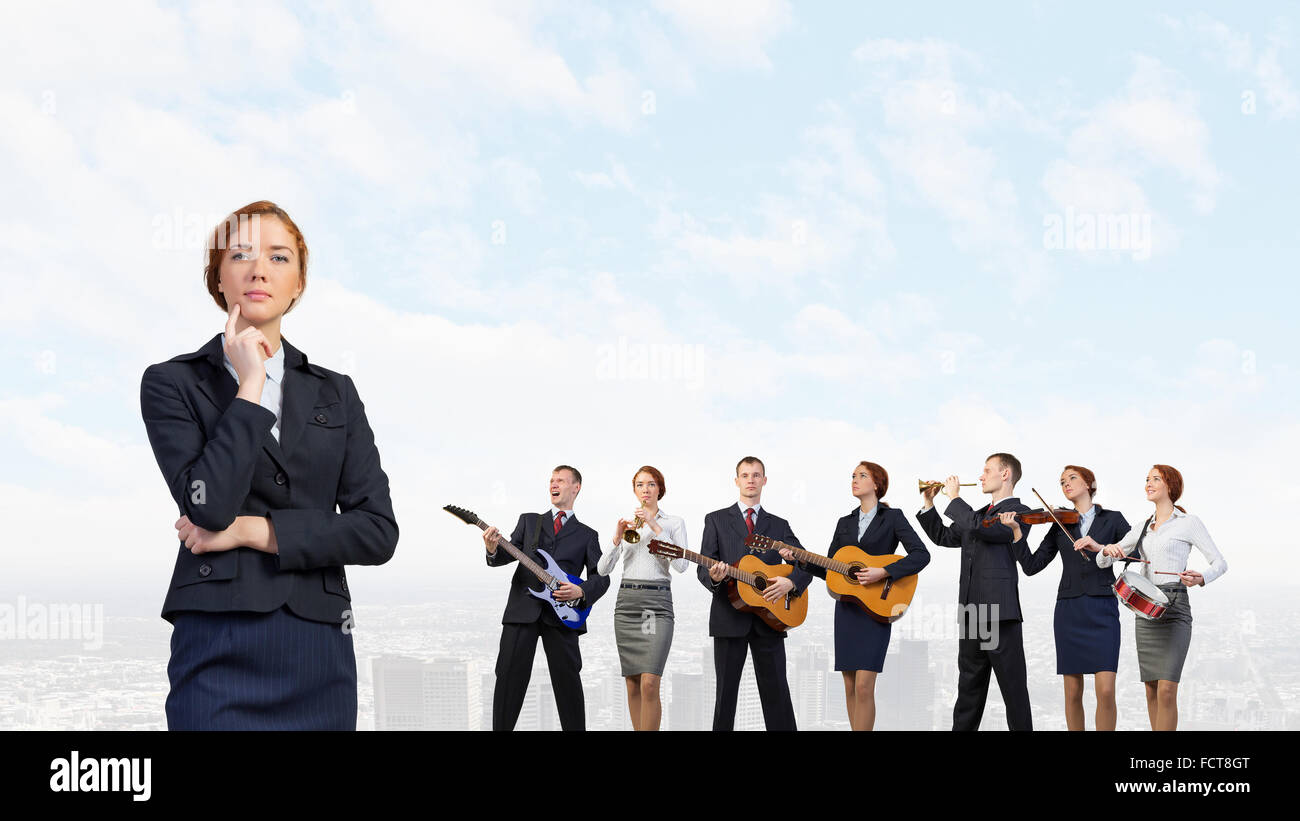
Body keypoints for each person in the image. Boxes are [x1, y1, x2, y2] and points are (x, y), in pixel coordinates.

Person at [140, 201, 398, 730]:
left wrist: (251, 531)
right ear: (218, 279)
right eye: (241, 254)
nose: (260, 269)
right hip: (217, 639)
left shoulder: (336, 391)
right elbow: (207, 505)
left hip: (318, 643)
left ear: (299, 283)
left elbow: (376, 532)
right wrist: (251, 384)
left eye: (279, 257)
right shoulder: (172, 382)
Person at [780, 461, 929, 730]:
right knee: (849, 684)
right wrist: (799, 560)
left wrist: (883, 572)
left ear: (877, 484)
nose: (854, 479)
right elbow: (831, 570)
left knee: (863, 686)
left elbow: (921, 554)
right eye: (852, 476)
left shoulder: (893, 517)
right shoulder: (844, 522)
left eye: (862, 475)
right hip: (847, 609)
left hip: (876, 609)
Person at [1077, 464, 1227, 731]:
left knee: (1167, 689)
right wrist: (1106, 550)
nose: (1148, 483)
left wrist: (1201, 578)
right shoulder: (1143, 526)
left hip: (1175, 606)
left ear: (1170, 485)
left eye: (1155, 479)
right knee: (1151, 689)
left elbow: (1219, 562)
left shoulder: (1189, 523)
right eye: (1147, 479)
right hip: (1145, 609)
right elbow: (1102, 561)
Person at [482, 465, 609, 731]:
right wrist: (492, 548)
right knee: (507, 679)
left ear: (576, 487)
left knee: (569, 686)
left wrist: (582, 591)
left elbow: (602, 576)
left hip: (564, 616)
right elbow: (505, 555)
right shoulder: (529, 521)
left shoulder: (588, 535)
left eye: (561, 480)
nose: (554, 484)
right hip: (522, 610)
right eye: (552, 480)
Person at [1003, 465, 1129, 730]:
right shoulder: (1060, 525)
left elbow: (1133, 552)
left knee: (1105, 690)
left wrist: (1104, 548)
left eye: (1072, 478)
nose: (1066, 484)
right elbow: (1031, 565)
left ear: (1089, 484)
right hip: (1069, 609)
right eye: (1062, 481)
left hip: (1102, 607)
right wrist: (1016, 531)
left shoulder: (1114, 519)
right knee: (1072, 692)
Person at [917, 453, 1033, 731]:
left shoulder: (1019, 512)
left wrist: (955, 498)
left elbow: (989, 531)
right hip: (971, 612)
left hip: (1000, 612)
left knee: (1013, 692)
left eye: (986, 470)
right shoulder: (976, 516)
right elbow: (944, 537)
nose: (980, 476)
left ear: (1005, 474)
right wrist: (929, 502)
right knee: (968, 689)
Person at [699, 456, 811, 731]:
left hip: (770, 618)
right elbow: (704, 568)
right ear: (736, 480)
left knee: (778, 697)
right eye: (745, 475)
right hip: (729, 616)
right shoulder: (715, 520)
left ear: (764, 480)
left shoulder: (779, 525)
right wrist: (714, 578)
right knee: (725, 697)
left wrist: (791, 583)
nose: (750, 479)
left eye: (756, 475)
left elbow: (806, 563)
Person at [597, 465, 689, 731]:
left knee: (650, 681)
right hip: (627, 604)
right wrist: (616, 537)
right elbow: (603, 570)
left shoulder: (673, 523)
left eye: (650, 484)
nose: (645, 489)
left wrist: (655, 526)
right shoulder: (627, 524)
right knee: (632, 682)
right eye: (639, 485)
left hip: (655, 606)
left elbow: (682, 567)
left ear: (660, 488)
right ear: (634, 490)